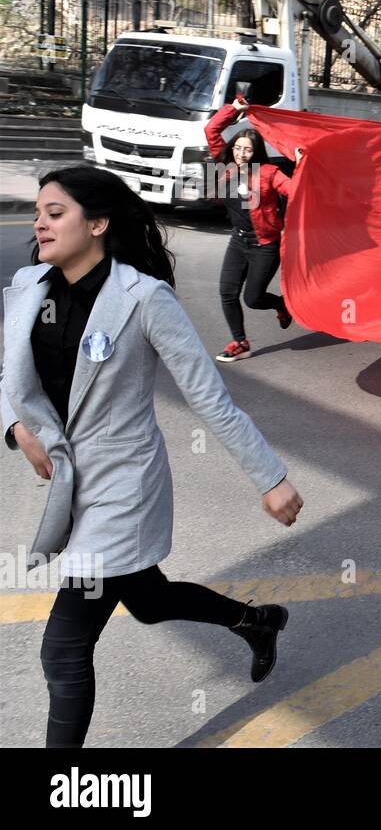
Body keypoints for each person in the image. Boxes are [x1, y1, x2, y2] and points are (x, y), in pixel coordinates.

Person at [3, 166, 303, 748]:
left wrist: (271, 478)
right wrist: (16, 426)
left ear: (97, 223)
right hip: (72, 484)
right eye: (38, 212)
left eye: (55, 212)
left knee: (63, 650)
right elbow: (3, 374)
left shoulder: (143, 299)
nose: (39, 222)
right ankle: (258, 621)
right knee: (147, 600)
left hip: (124, 488)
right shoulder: (29, 287)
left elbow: (208, 397)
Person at [203, 95, 297, 362]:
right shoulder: (226, 167)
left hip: (264, 246)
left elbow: (293, 190)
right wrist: (234, 108)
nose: (241, 153)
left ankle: (280, 304)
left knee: (253, 299)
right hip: (238, 241)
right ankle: (240, 342)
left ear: (255, 152)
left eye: (247, 150)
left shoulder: (268, 173)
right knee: (227, 292)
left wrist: (302, 166)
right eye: (238, 148)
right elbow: (211, 130)